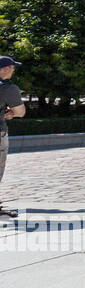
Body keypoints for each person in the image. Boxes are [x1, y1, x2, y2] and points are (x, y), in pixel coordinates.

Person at [0, 56, 26, 219]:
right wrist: (10, 112)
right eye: (12, 67)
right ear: (4, 69)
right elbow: (20, 112)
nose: (13, 69)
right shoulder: (7, 88)